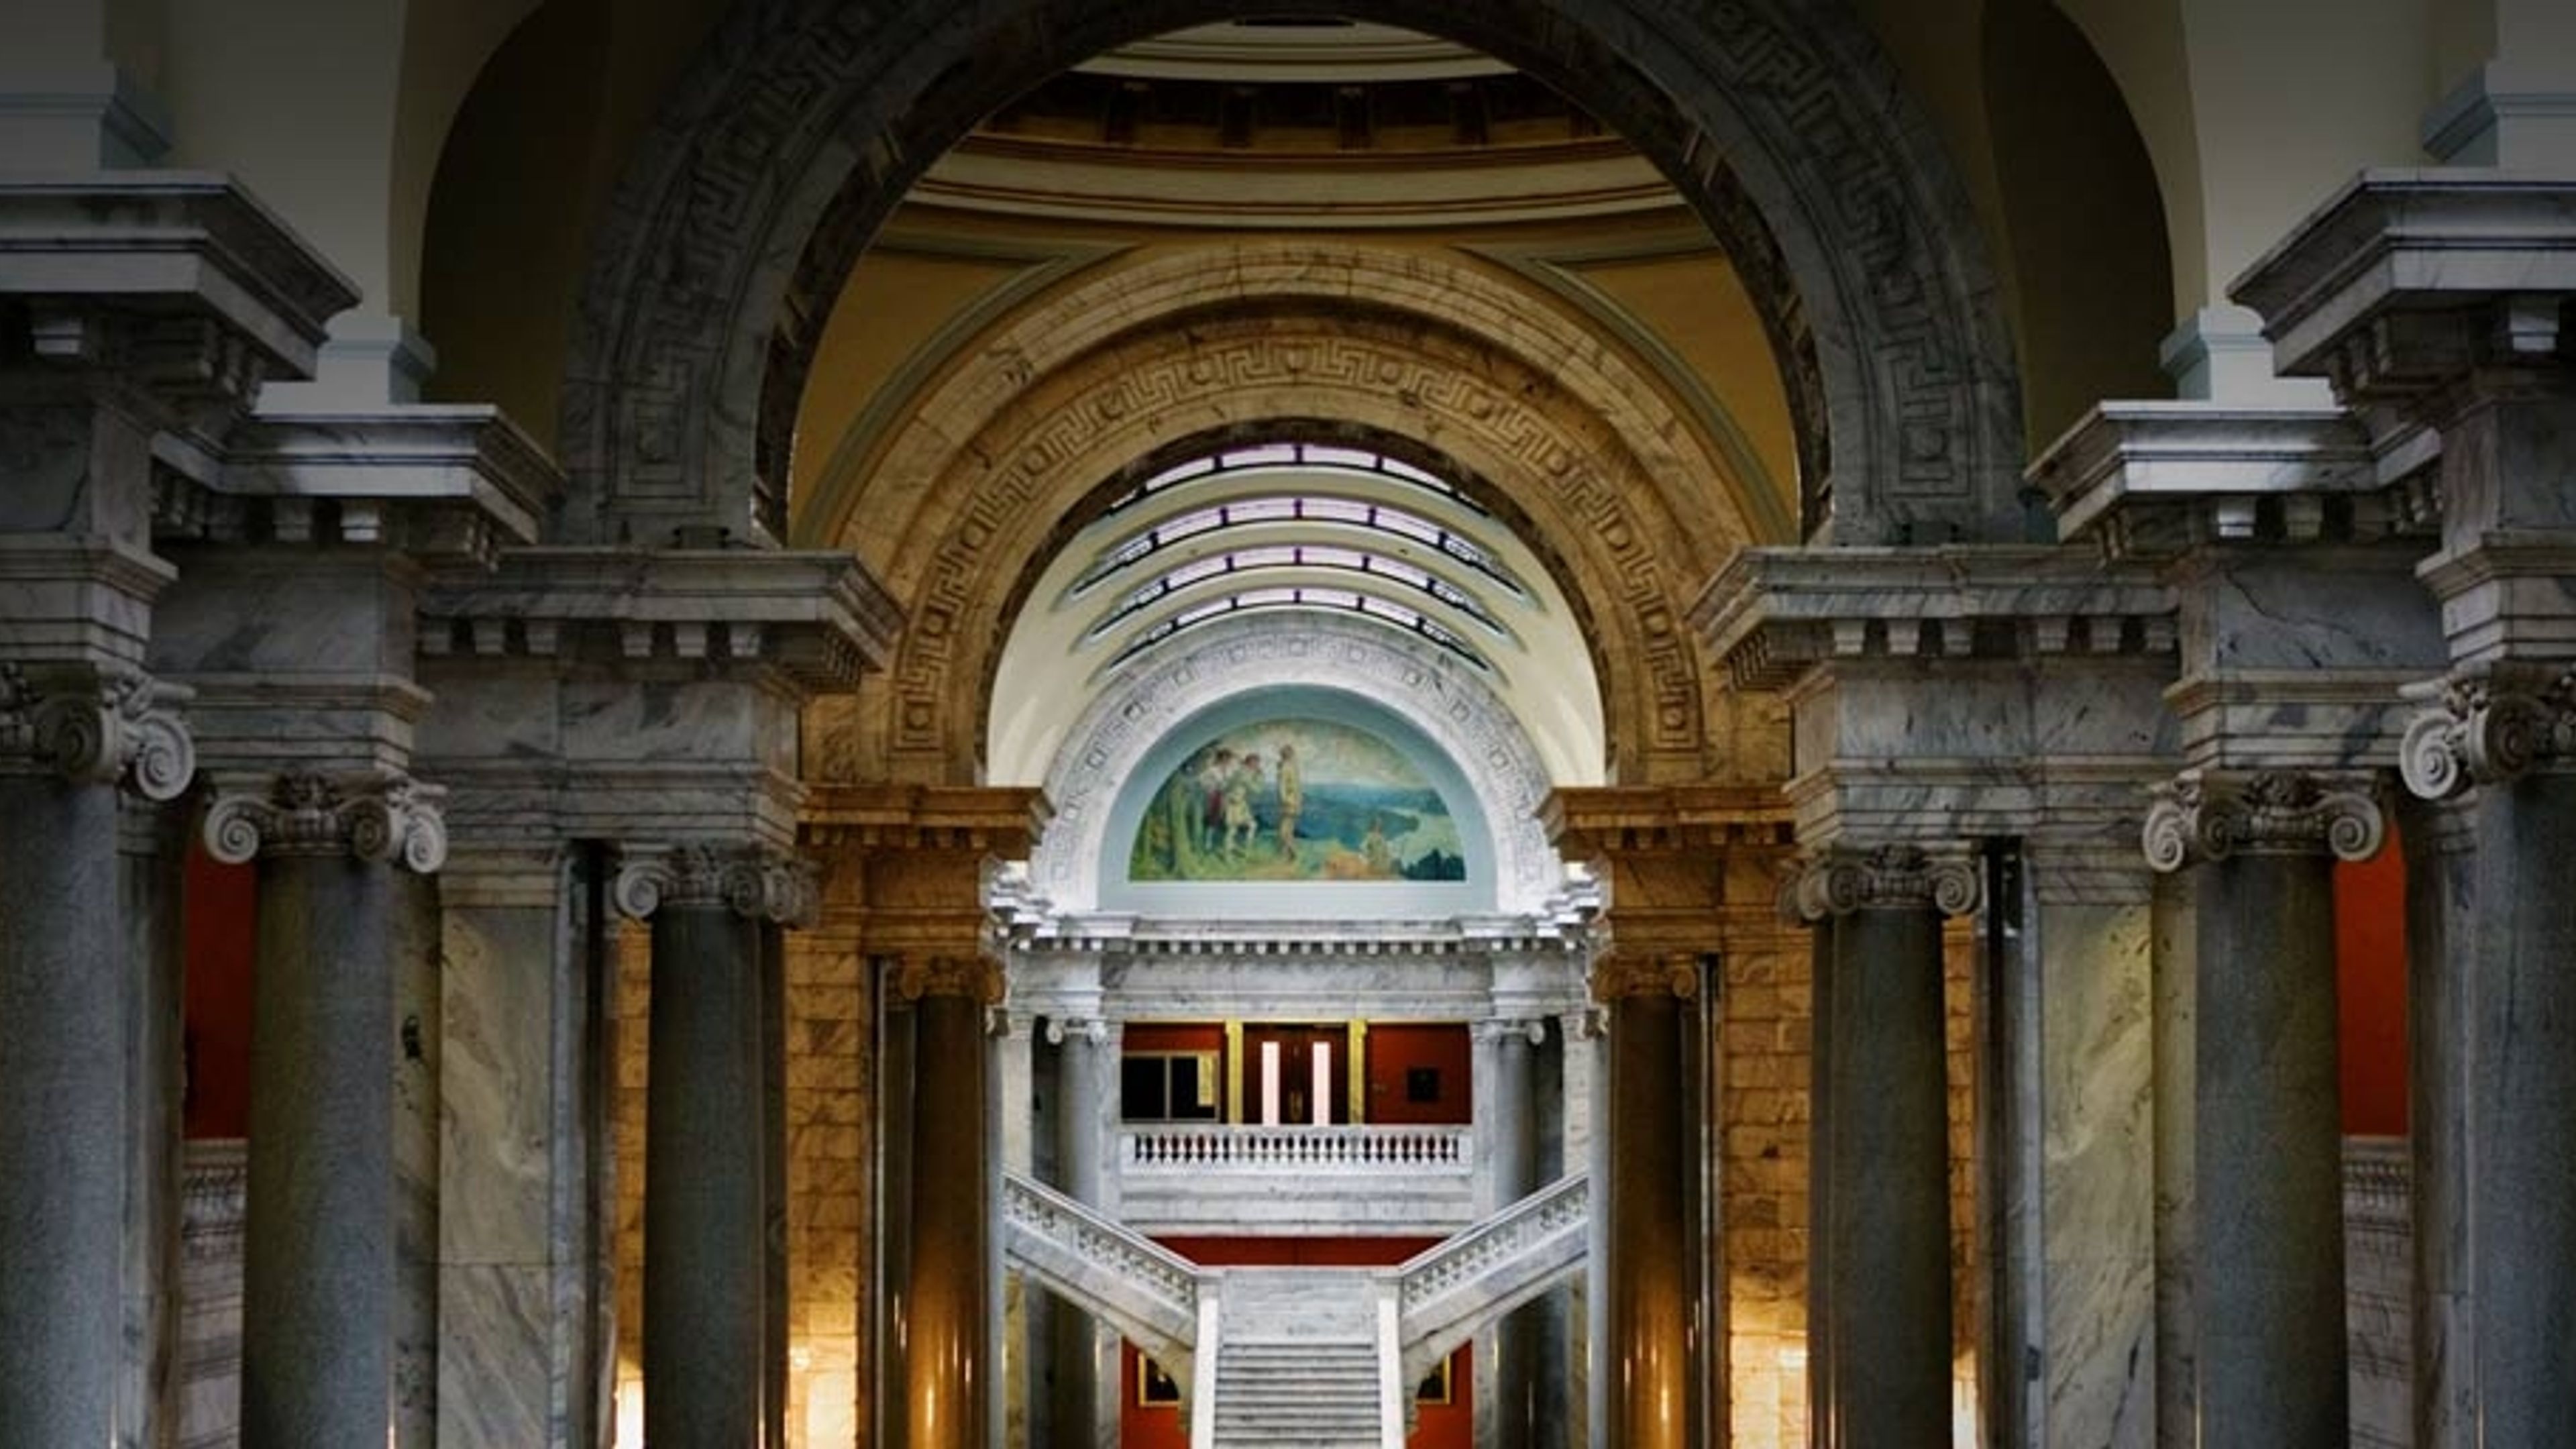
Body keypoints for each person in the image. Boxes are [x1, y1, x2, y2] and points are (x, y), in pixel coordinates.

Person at [1222, 753, 1262, 858]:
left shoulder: (1241, 771)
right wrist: (1260, 775)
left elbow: (1228, 786)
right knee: (1232, 830)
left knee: (1251, 825)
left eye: (1258, 763)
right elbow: (1256, 790)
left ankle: (1242, 850)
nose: (1258, 765)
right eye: (1256, 763)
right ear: (1251, 763)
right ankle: (1229, 854)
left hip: (1239, 803)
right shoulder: (1244, 774)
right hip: (1235, 804)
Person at [1273, 741, 1303, 861]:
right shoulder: (1285, 767)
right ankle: (1291, 852)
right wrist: (1285, 800)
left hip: (1295, 799)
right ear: (1287, 755)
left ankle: (1287, 854)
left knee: (1289, 829)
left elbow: (1297, 785)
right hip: (1290, 800)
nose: (1293, 755)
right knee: (1285, 829)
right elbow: (1282, 786)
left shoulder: (1292, 766)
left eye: (1292, 753)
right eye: (1291, 753)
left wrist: (1298, 799)